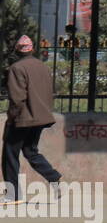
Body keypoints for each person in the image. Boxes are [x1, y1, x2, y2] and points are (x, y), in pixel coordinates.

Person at [2, 35, 62, 204]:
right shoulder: (42, 66)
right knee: (30, 151)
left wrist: (11, 118)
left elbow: (17, 98)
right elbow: (50, 92)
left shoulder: (16, 68)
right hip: (40, 118)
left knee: (10, 154)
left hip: (22, 119)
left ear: (17, 49)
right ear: (33, 48)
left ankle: (13, 194)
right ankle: (53, 178)